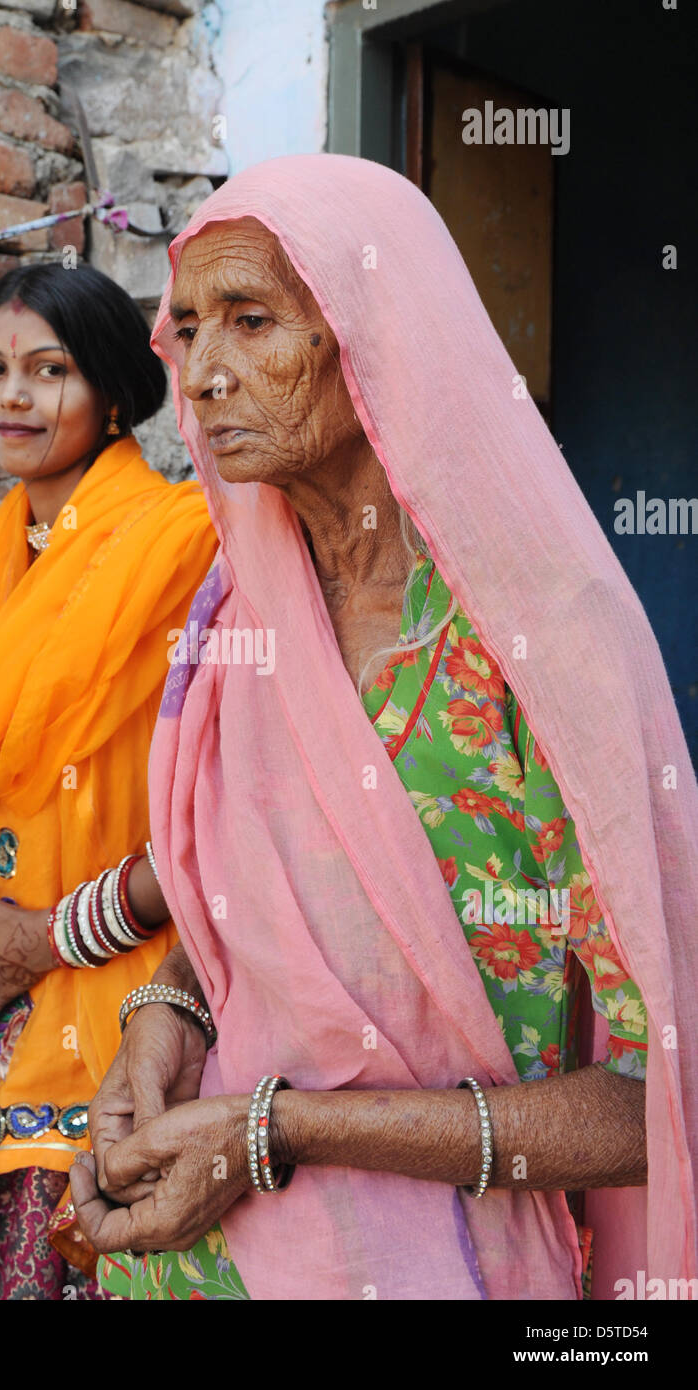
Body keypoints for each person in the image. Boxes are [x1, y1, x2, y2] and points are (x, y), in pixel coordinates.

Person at [68, 155, 698, 1300]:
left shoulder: (538, 644)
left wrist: (273, 1133)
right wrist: (158, 1026)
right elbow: (254, 913)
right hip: (197, 1257)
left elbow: (649, 1102)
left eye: (251, 321)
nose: (203, 375)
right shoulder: (246, 621)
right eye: (188, 329)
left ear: (372, 332)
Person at [0, 262, 216, 1300]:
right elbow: (7, 800)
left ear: (113, 391)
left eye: (48, 369)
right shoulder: (3, 556)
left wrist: (42, 938)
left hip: (125, 1009)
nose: (11, 397)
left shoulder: (185, 546)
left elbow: (218, 829)